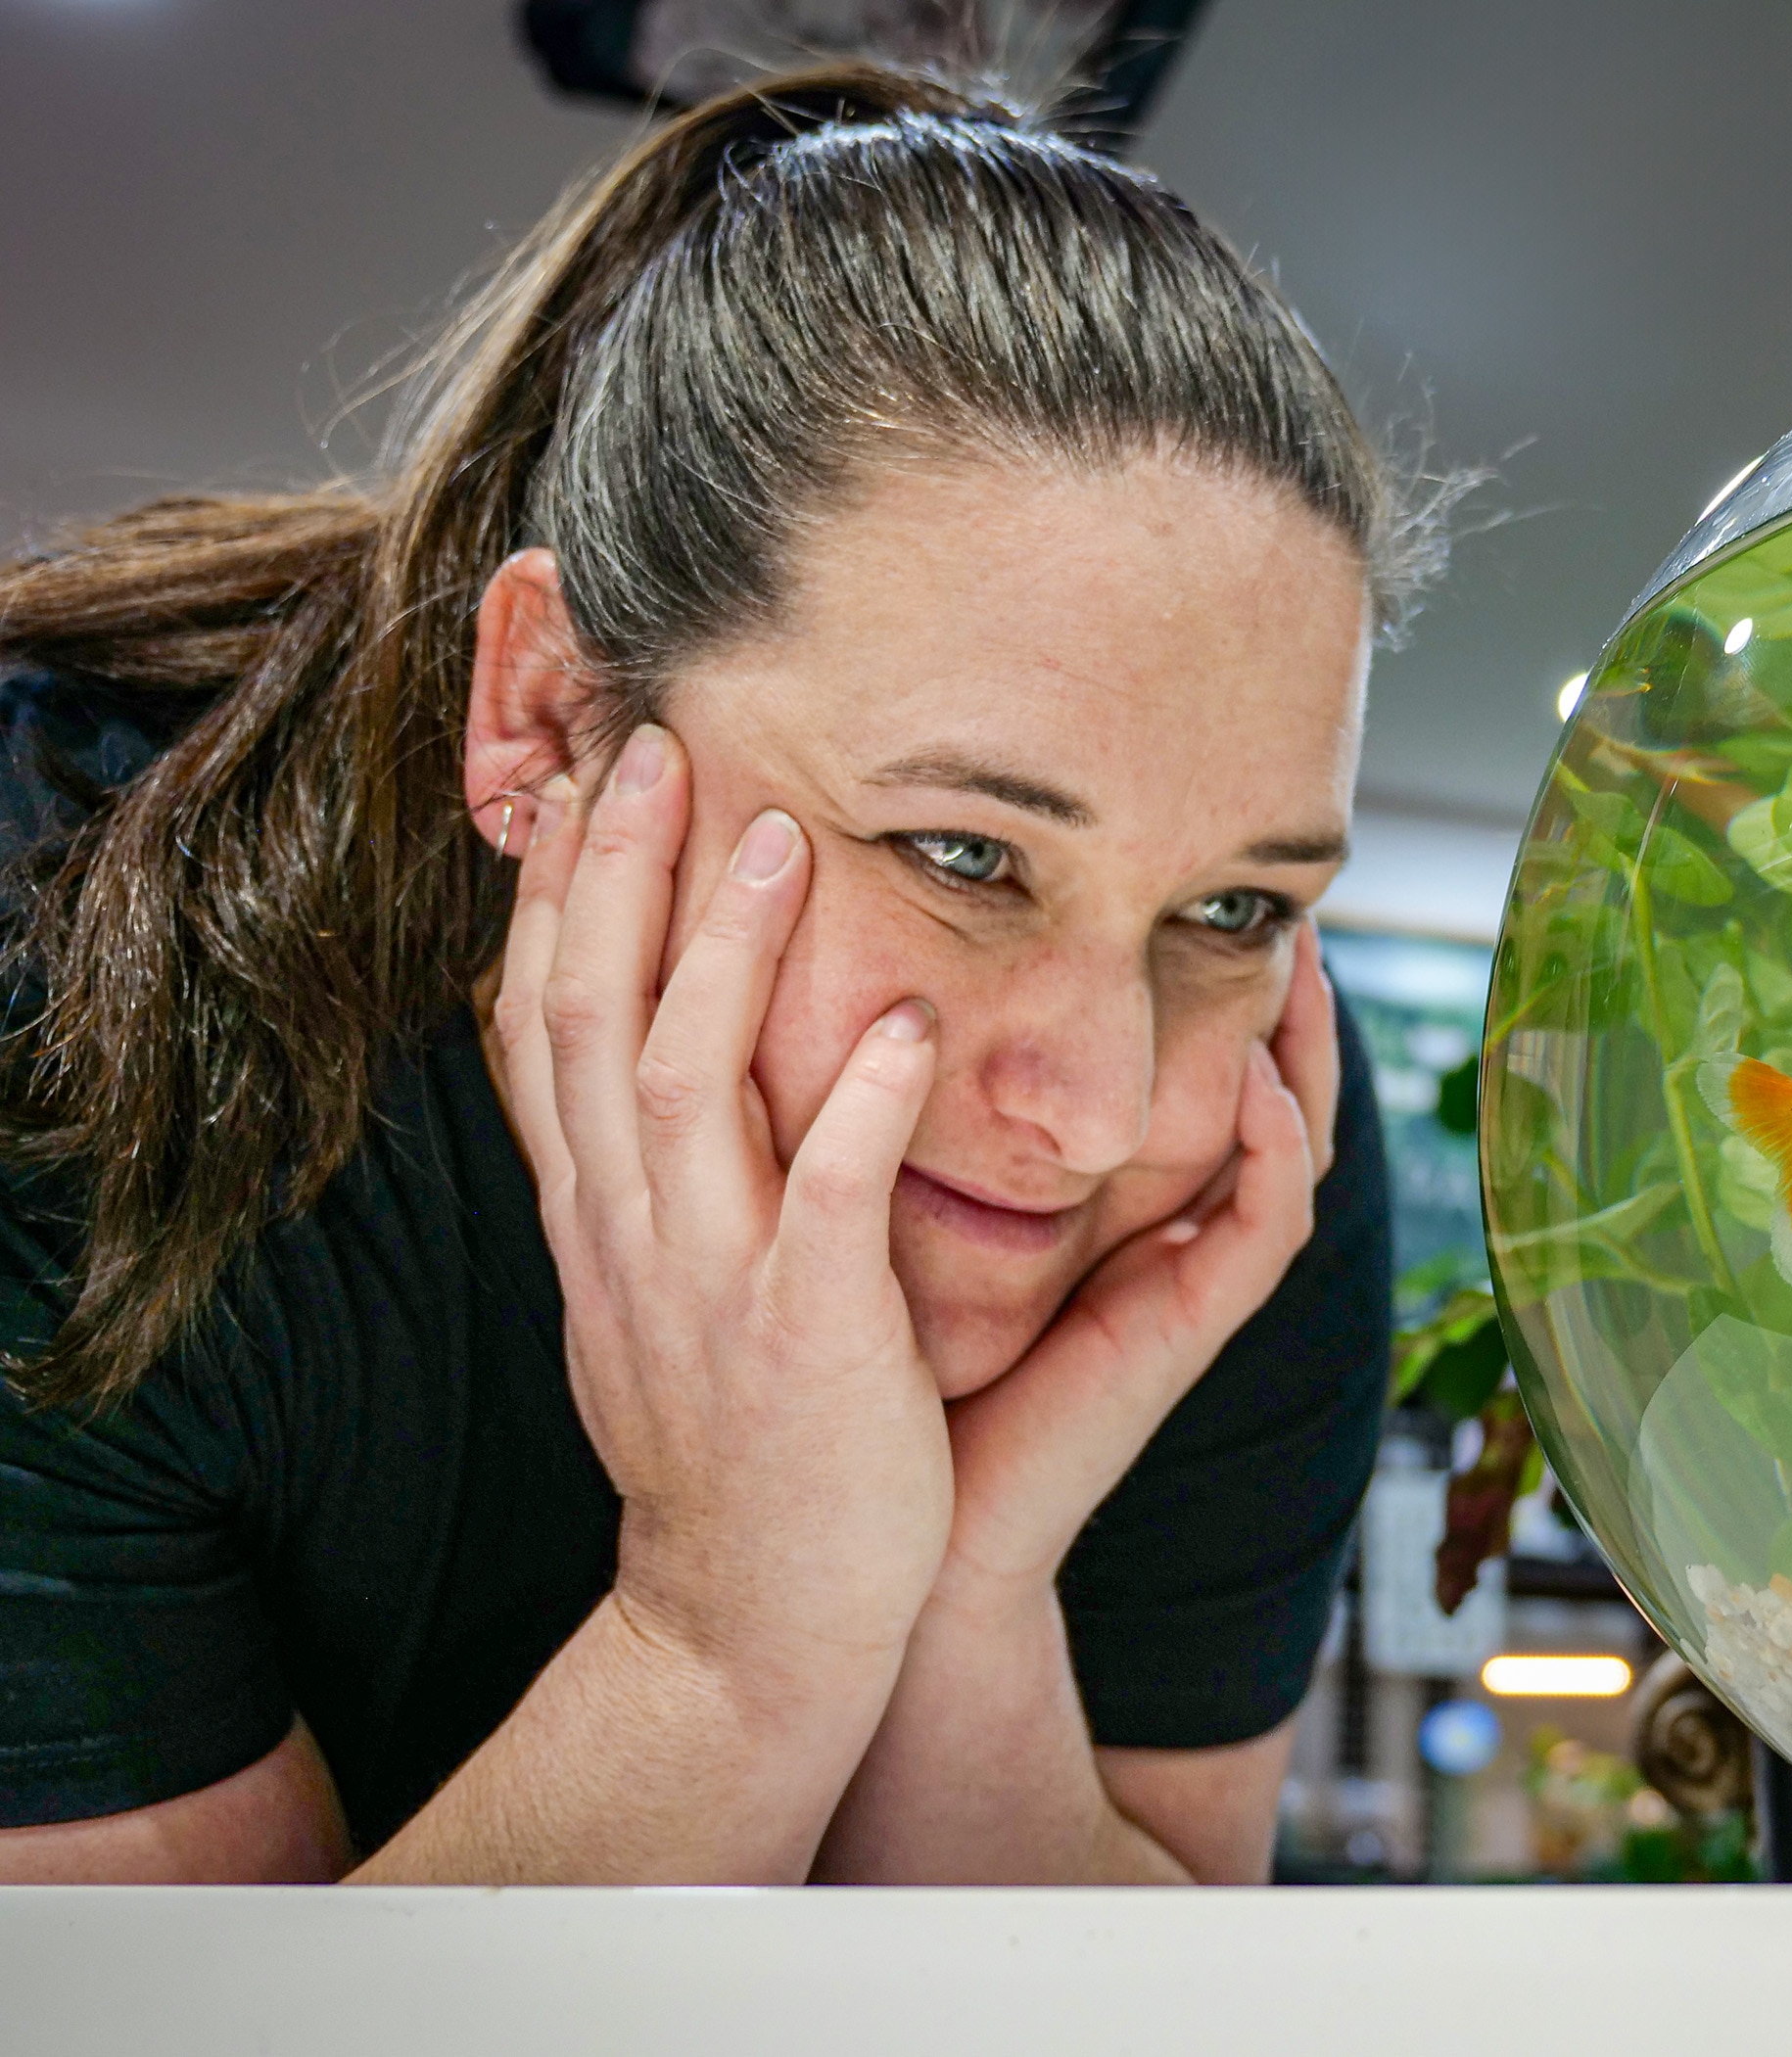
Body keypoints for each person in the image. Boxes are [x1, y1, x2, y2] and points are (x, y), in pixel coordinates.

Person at [0, 62, 1433, 1884]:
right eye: (965, 854)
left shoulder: (1233, 1148)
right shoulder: (58, 998)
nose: (1097, 1105)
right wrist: (736, 1636)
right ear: (542, 717)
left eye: (1232, 909)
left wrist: (966, 1607)